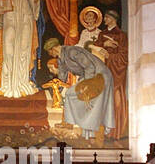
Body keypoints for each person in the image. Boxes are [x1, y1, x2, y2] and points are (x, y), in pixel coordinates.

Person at [44, 39, 115, 140]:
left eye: (49, 52)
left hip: (100, 75)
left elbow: (89, 66)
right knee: (69, 94)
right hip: (89, 77)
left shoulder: (72, 52)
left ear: (54, 48)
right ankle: (69, 123)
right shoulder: (61, 59)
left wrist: (87, 84)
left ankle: (90, 131)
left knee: (87, 100)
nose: (50, 54)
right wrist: (56, 93)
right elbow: (62, 78)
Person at [99, 10, 128, 140]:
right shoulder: (102, 34)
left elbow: (124, 56)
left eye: (106, 17)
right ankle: (104, 129)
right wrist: (104, 44)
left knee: (115, 100)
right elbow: (93, 49)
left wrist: (109, 56)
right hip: (102, 71)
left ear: (113, 18)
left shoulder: (121, 35)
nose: (104, 19)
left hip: (116, 71)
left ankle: (115, 132)